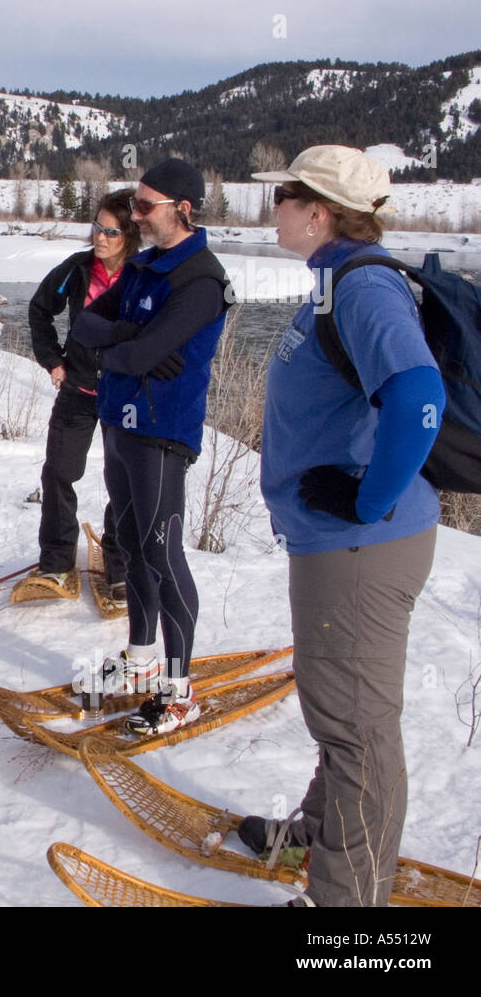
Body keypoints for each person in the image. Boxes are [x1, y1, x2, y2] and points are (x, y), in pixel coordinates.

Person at [246, 146, 443, 907]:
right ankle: (320, 832)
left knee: (358, 732)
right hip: (341, 544)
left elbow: (418, 397)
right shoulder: (338, 282)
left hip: (360, 546)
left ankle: (347, 908)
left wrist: (366, 502)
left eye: (284, 197)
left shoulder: (362, 289)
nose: (276, 210)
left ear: (318, 212)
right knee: (342, 709)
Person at [68, 158, 230, 735]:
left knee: (163, 554)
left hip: (163, 433)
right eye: (132, 206)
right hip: (119, 421)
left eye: (144, 207)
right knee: (131, 546)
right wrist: (131, 342)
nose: (133, 217)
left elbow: (124, 353)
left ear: (182, 209)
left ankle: (180, 691)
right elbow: (85, 324)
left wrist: (122, 349)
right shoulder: (142, 267)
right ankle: (139, 661)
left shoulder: (201, 281)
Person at [21, 188, 139, 604]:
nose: (100, 238)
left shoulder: (146, 274)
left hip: (127, 396)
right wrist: (53, 360)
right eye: (96, 228)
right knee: (59, 473)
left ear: (131, 234)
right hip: (79, 392)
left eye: (111, 231)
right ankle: (56, 561)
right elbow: (38, 310)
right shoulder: (76, 269)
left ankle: (119, 564)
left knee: (123, 482)